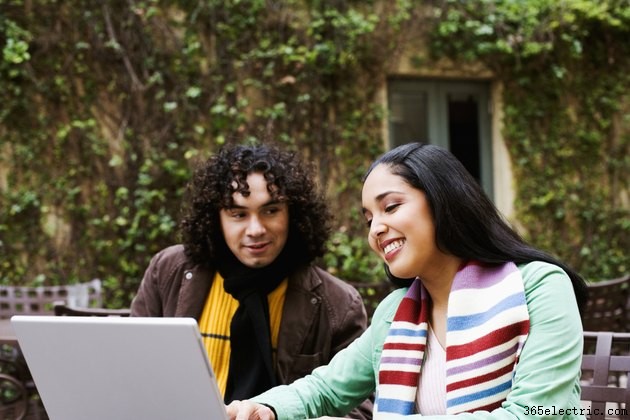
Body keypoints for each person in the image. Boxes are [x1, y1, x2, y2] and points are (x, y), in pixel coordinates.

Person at [226, 142, 589, 419]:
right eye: (368, 218)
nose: (376, 229)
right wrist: (266, 408)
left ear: (444, 201)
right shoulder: (397, 311)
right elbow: (327, 387)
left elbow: (536, 412)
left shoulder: (540, 286)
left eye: (391, 207)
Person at [131, 143, 373, 419]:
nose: (256, 229)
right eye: (238, 214)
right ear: (216, 219)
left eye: (271, 211)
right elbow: (132, 368)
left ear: (293, 214)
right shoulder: (168, 271)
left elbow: (360, 410)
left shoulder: (339, 304)